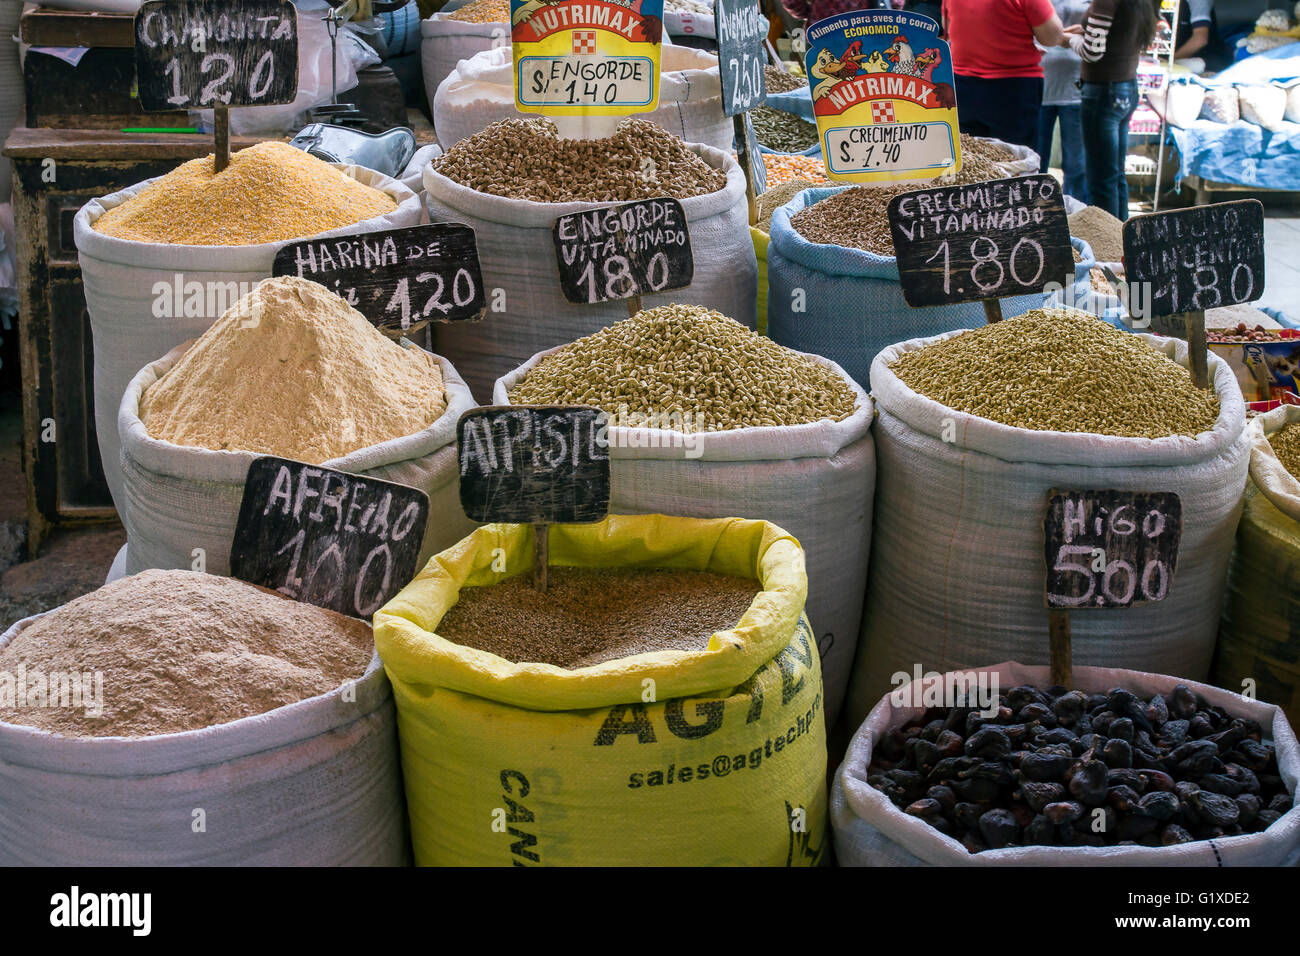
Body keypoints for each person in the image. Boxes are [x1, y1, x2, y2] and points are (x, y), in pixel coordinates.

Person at [1067, 0, 1159, 220]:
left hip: (1103, 93)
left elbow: (1092, 52)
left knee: (1101, 180)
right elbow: (1118, 34)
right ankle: (1122, 240)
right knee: (1115, 175)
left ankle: (1108, 247)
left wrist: (1070, 39)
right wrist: (1085, 32)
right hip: (1125, 88)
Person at [942, 0, 1071, 151]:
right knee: (1015, 163)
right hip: (1013, 89)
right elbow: (1051, 36)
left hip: (964, 87)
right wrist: (1064, 37)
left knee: (971, 159)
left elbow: (948, 27)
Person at [1038, 0, 1090, 202]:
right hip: (1041, 81)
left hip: (1075, 85)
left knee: (1075, 164)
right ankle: (1036, 213)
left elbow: (1106, 26)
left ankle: (1077, 219)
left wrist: (1086, 31)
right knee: (1036, 161)